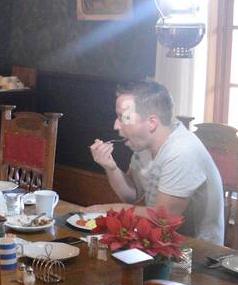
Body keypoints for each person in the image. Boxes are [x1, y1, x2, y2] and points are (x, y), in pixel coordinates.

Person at [86, 79, 225, 244]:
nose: (116, 125)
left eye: (123, 117)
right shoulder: (144, 144)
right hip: (157, 243)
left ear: (151, 122)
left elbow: (163, 219)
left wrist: (105, 210)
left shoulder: (181, 152)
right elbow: (132, 195)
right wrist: (111, 167)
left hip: (196, 254)